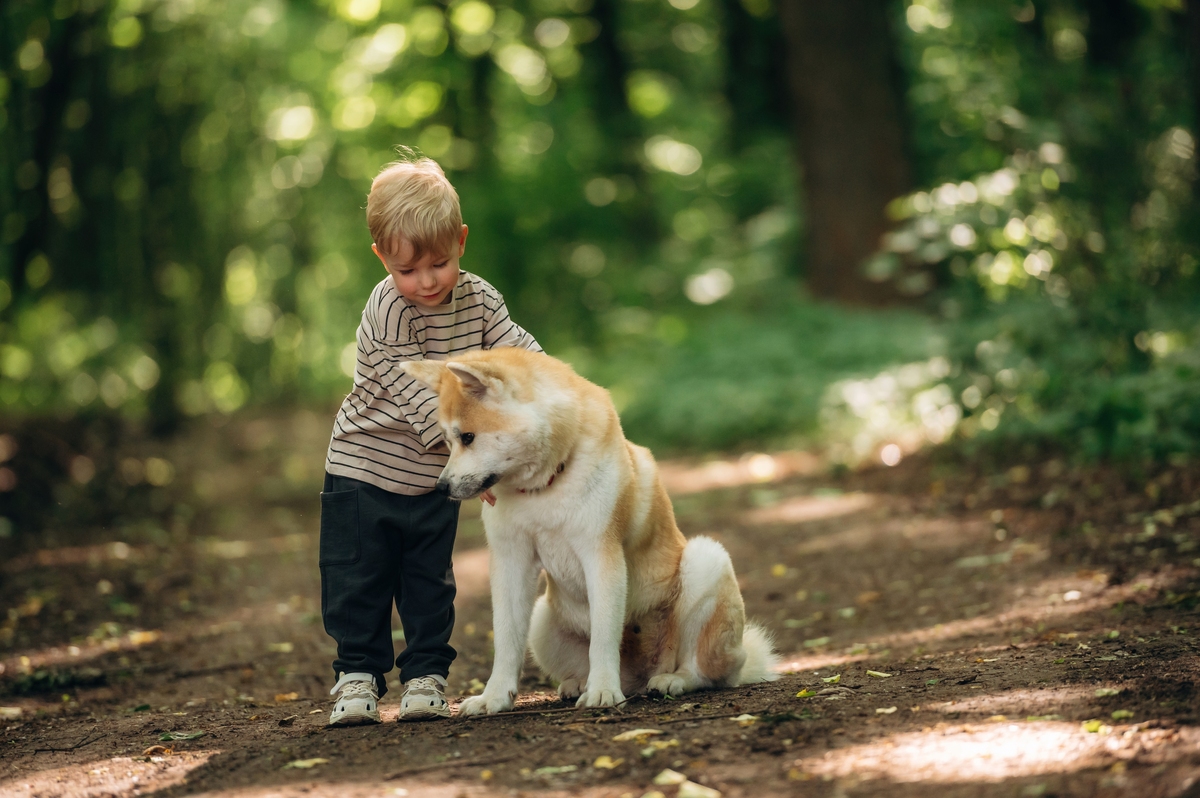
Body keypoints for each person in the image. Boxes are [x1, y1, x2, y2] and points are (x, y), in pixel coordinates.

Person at [320, 152, 541, 725]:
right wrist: (474, 459)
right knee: (358, 580)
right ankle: (357, 677)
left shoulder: (481, 300)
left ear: (461, 241)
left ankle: (425, 677)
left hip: (432, 480)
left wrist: (556, 392)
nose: (425, 281)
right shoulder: (388, 310)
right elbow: (421, 398)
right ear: (382, 258)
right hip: (364, 469)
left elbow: (521, 356)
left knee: (429, 580)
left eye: (439, 264)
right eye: (407, 269)